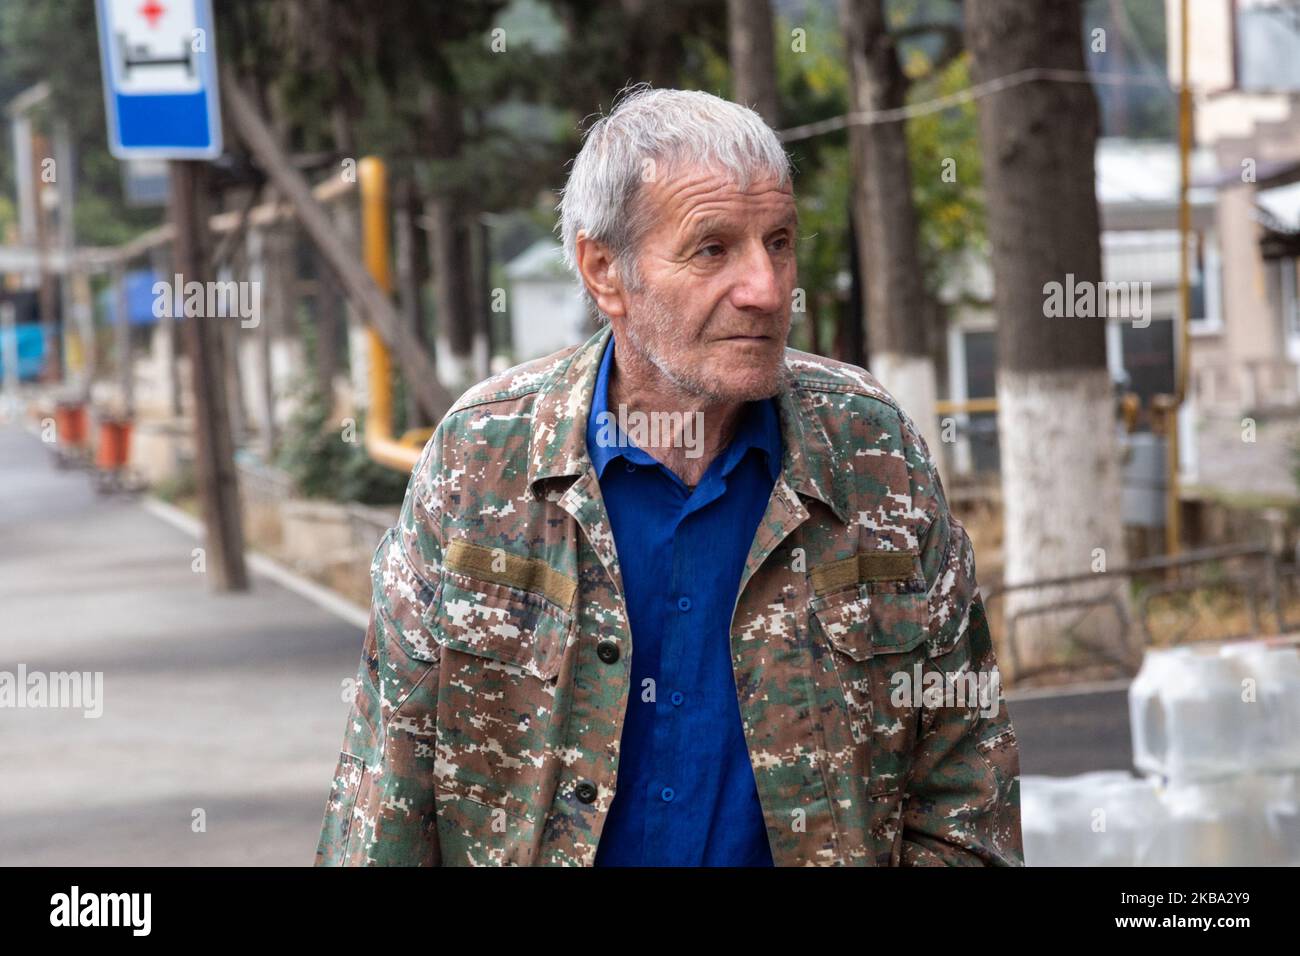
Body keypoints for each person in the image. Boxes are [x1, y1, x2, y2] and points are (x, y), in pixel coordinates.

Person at [314, 85, 1023, 866]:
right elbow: (388, 790)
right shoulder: (481, 462)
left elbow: (964, 779)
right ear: (603, 271)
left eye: (779, 242)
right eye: (712, 248)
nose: (765, 288)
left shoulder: (871, 451)